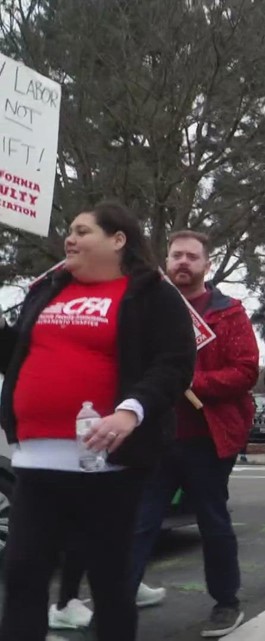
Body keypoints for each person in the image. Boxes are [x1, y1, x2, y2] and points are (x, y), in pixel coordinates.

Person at [0, 202, 196, 641]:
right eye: (69, 231)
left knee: (110, 580)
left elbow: (174, 363)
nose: (69, 239)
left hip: (108, 465)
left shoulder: (152, 294)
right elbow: (16, 357)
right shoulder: (47, 290)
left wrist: (131, 410)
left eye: (82, 231)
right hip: (36, 461)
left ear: (118, 239)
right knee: (23, 573)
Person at [128, 229, 259, 638]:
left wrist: (191, 381)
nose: (183, 262)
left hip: (208, 438)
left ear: (206, 264)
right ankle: (118, 599)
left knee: (213, 522)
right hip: (155, 436)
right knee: (140, 522)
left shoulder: (228, 313)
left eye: (192, 256)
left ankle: (226, 602)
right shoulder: (147, 310)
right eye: (176, 255)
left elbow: (245, 371)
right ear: (166, 261)